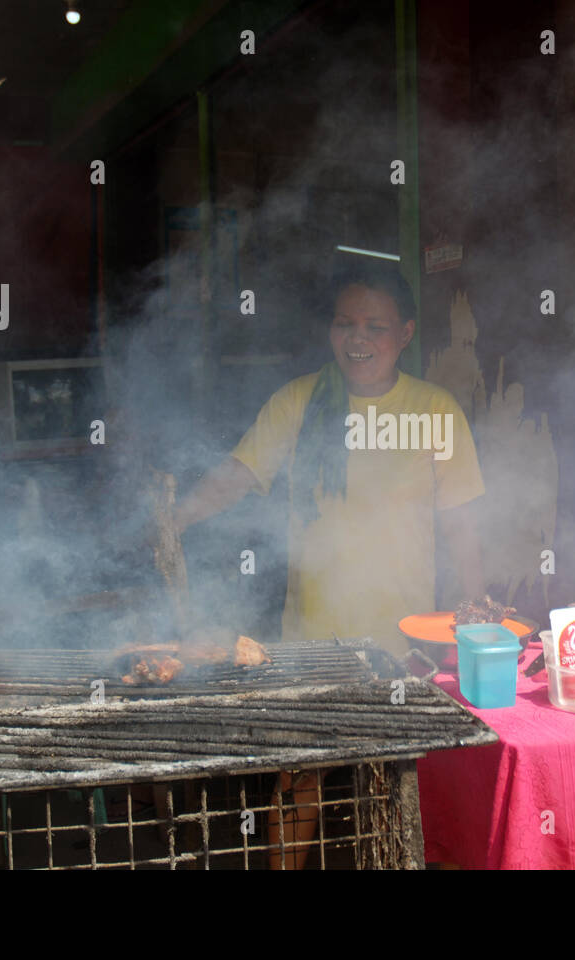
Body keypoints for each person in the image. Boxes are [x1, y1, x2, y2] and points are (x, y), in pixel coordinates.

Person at [170, 257, 487, 867]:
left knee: (392, 791)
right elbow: (240, 474)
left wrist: (470, 626)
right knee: (299, 782)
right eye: (345, 324)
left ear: (405, 334)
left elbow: (462, 525)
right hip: (310, 637)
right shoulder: (298, 402)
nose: (358, 339)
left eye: (375, 326)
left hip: (404, 639)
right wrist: (174, 519)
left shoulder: (434, 410)